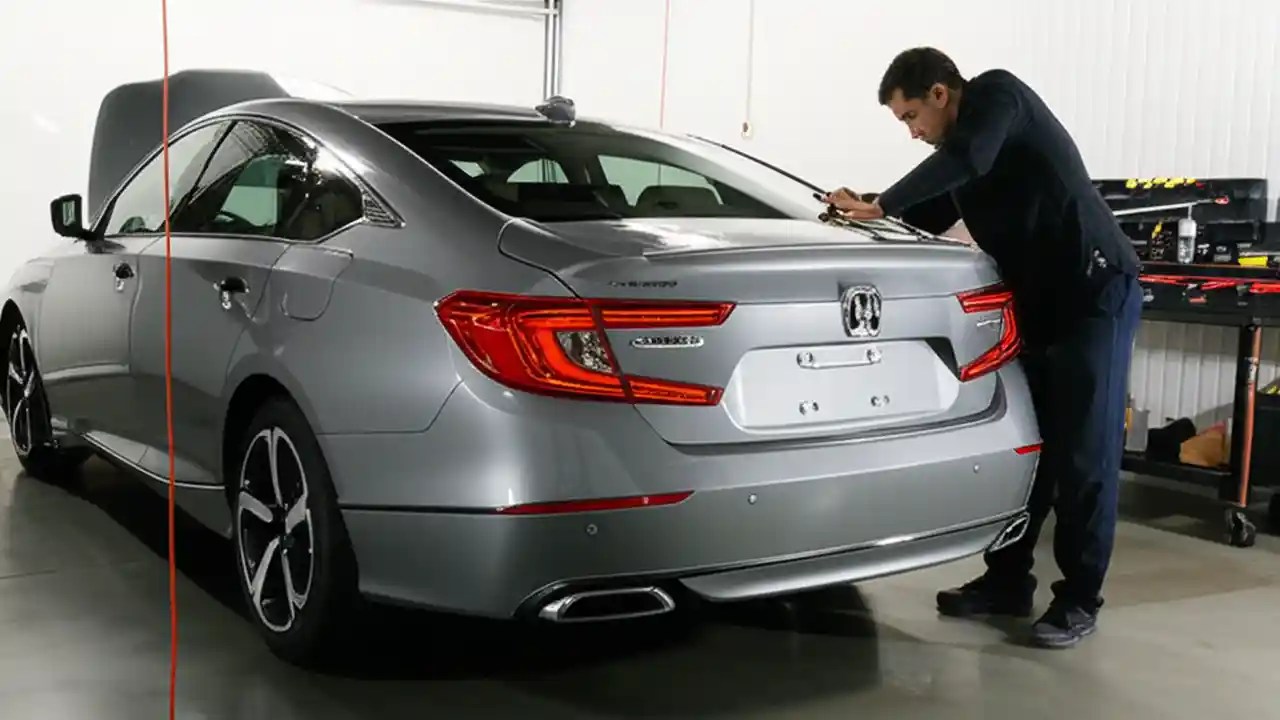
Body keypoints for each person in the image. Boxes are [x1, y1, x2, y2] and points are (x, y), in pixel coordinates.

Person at [822, 47, 1142, 649]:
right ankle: (1007, 580)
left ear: (942, 94)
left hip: (1094, 294)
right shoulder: (964, 163)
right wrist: (861, 214)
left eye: (911, 116)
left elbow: (964, 160)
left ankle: (1079, 599)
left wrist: (883, 200)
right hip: (1038, 305)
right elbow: (933, 209)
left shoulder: (999, 96)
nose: (913, 132)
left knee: (1084, 457)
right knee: (1032, 450)